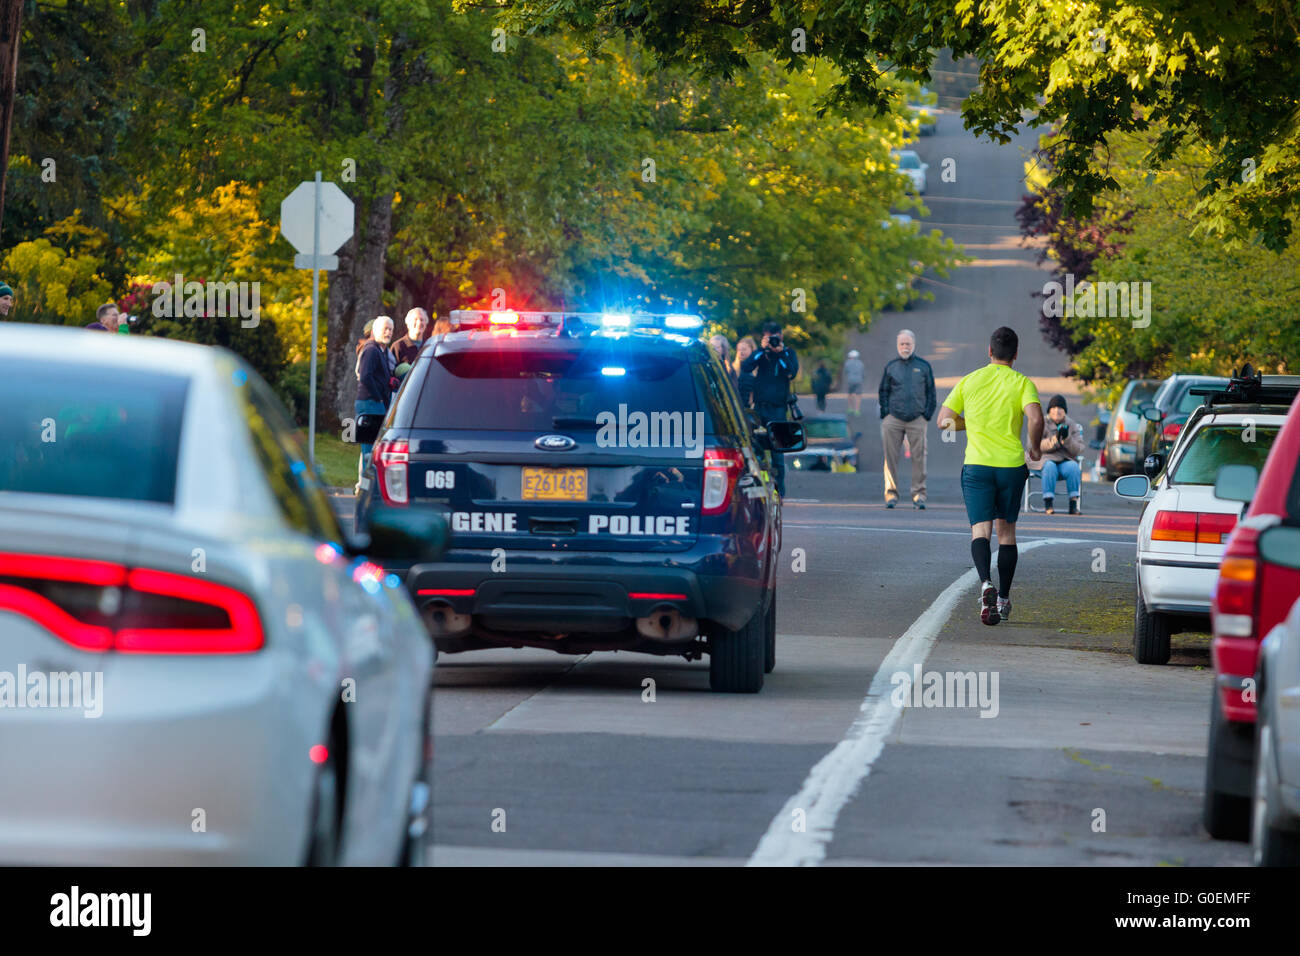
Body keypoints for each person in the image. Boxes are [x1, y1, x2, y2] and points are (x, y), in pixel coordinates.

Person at [937, 326, 1043, 626]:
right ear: (1016, 354)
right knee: (1007, 534)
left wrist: (967, 423)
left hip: (977, 466)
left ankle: (985, 583)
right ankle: (1004, 598)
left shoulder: (970, 380)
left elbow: (943, 422)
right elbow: (1036, 417)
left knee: (979, 531)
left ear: (989, 351)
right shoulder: (1022, 383)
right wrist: (1034, 449)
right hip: (1010, 466)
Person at [878, 329, 936, 509]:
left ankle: (919, 494)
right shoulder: (891, 367)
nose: (905, 347)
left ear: (914, 345)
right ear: (897, 346)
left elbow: (931, 393)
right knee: (890, 457)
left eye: (908, 344)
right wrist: (886, 413)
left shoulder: (924, 366)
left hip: (917, 419)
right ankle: (891, 494)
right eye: (902, 344)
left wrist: (926, 415)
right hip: (893, 418)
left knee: (919, 457)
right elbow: (883, 391)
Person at [740, 321, 799, 496]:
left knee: (778, 451)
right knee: (755, 446)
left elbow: (791, 372)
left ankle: (779, 490)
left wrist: (779, 353)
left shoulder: (788, 353)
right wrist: (761, 350)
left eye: (775, 336)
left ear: (781, 336)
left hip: (778, 408)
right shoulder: (761, 354)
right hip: (759, 407)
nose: (772, 340)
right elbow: (746, 367)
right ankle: (756, 484)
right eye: (768, 337)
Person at [356, 316, 397, 487]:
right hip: (370, 403)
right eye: (384, 329)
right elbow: (365, 375)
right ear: (374, 331)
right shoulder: (371, 349)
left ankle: (367, 487)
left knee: (372, 448)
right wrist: (379, 396)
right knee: (369, 450)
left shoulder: (380, 350)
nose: (388, 332)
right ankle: (365, 488)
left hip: (374, 403)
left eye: (390, 329)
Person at [1035, 394, 1085, 514]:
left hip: (1064, 460)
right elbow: (1035, 445)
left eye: (1060, 408)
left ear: (1065, 411)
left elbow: (1079, 448)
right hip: (1046, 460)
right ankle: (1048, 503)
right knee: (1050, 466)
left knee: (1073, 467)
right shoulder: (1042, 423)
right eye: (1054, 408)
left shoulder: (1072, 424)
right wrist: (1055, 440)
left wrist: (1067, 439)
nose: (1057, 411)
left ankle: (1073, 504)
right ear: (1049, 410)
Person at [733, 335, 758, 408]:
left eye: (744, 349)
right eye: (739, 350)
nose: (741, 352)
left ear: (752, 350)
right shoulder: (733, 368)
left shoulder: (759, 369)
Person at [842, 349, 865, 415]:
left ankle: (850, 408)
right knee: (858, 395)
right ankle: (857, 410)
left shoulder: (847, 363)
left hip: (850, 380)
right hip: (859, 381)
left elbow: (845, 372)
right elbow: (863, 373)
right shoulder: (861, 363)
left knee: (850, 394)